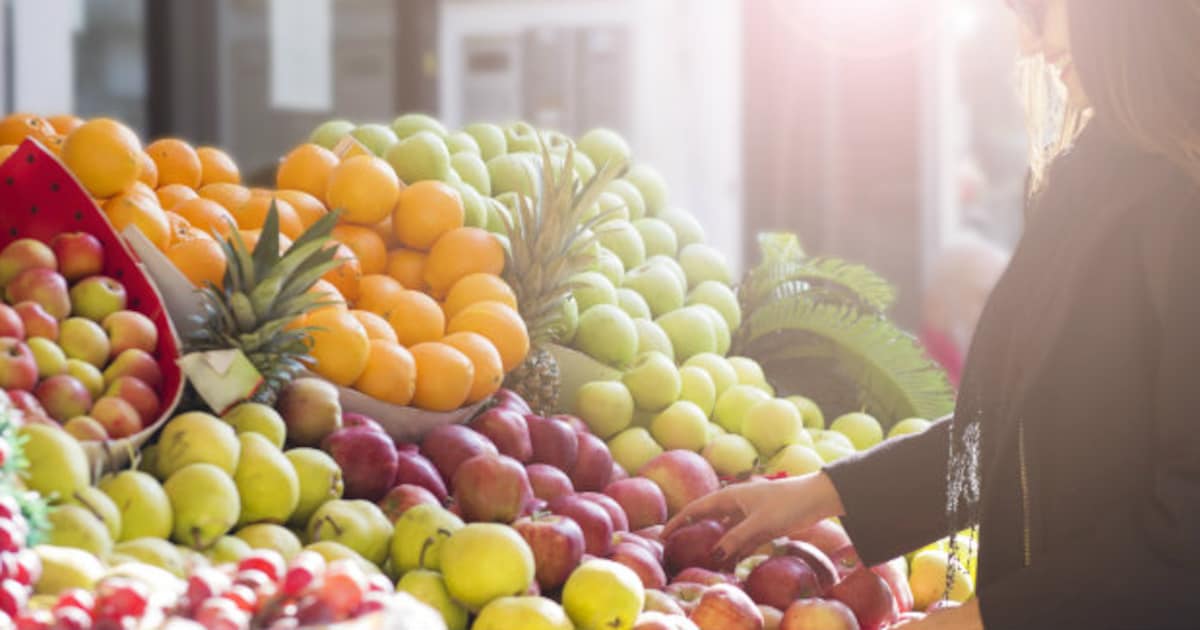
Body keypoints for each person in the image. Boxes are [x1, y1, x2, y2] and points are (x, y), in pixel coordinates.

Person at [665, 1, 1200, 628]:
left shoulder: (1182, 205)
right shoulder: (1091, 172)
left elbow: (1185, 529)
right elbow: (1021, 430)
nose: (1029, 42)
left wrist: (981, 620)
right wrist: (820, 495)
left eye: (1043, 7)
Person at [919, 232, 1010, 388]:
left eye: (1003, 303)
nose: (1000, 316)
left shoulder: (991, 375)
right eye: (984, 299)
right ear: (937, 306)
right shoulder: (917, 386)